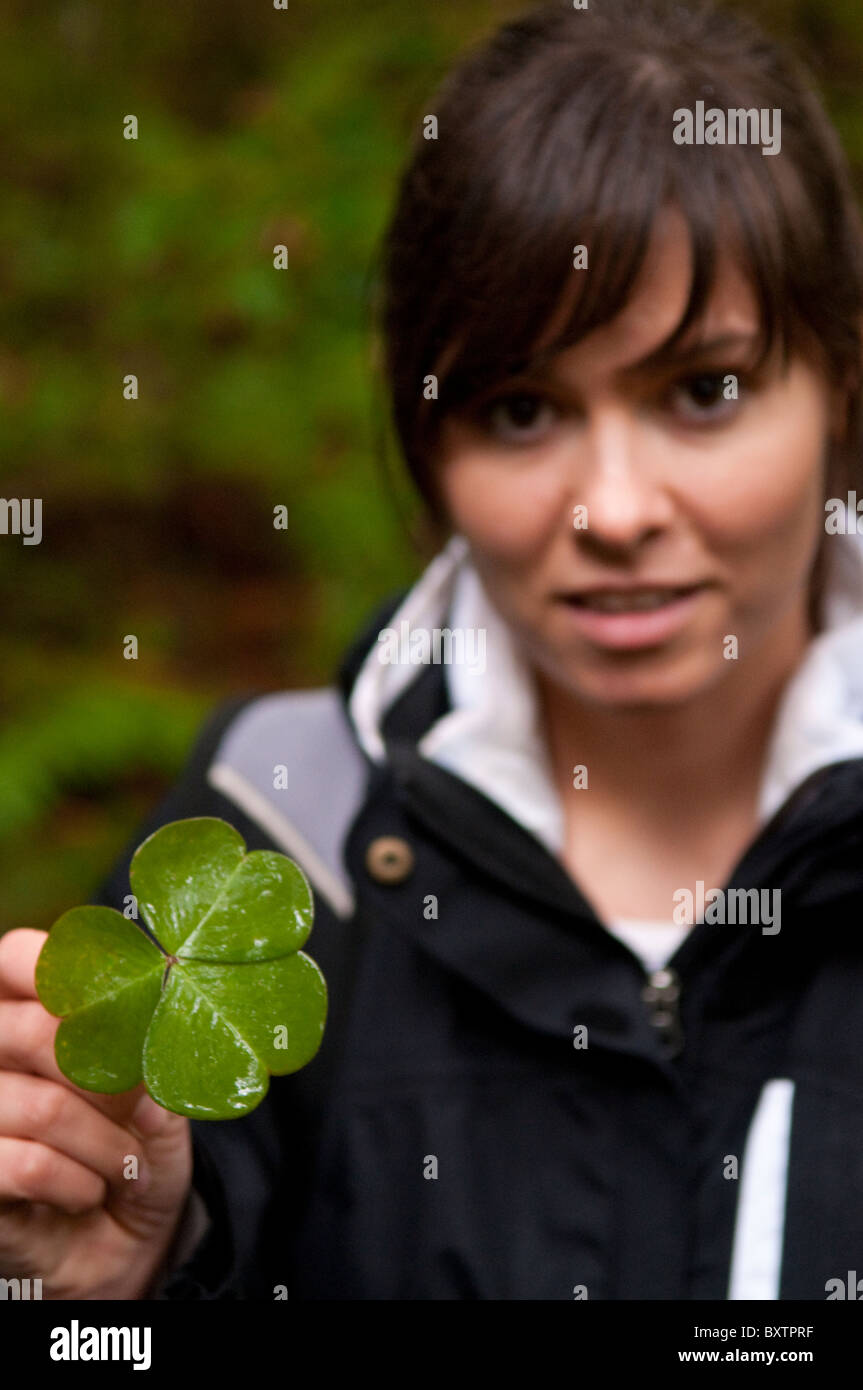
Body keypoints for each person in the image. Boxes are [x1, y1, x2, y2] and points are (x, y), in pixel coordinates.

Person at [3, 0, 863, 1301]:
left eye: (705, 390)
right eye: (522, 409)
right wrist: (113, 1288)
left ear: (842, 386)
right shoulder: (278, 822)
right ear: (431, 444)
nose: (615, 510)